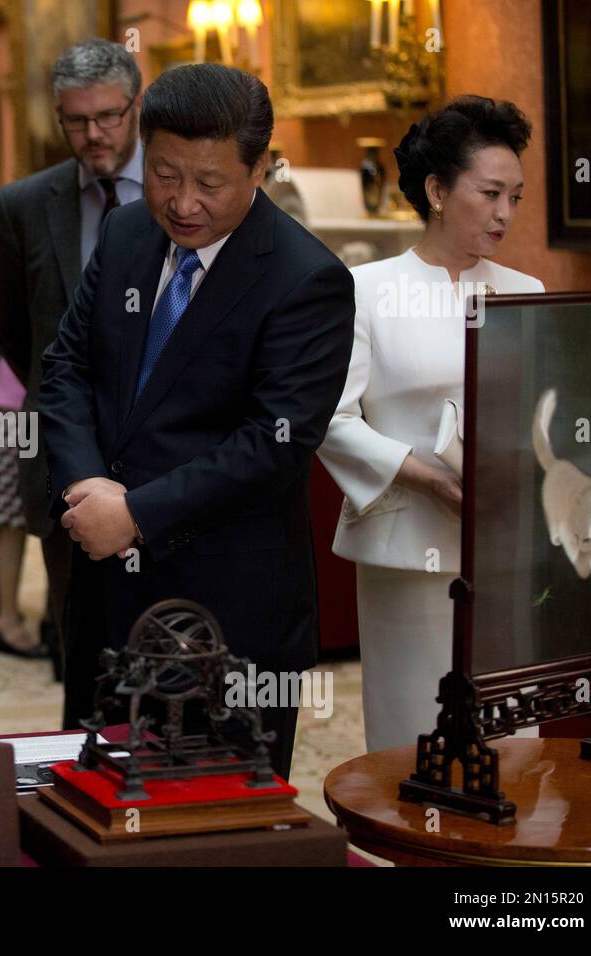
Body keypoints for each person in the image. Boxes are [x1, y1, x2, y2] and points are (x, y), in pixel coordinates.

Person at [39, 64, 355, 779]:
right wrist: (87, 482)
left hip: (227, 612)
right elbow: (68, 369)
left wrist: (139, 514)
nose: (181, 203)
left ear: (261, 168)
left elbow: (271, 445)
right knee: (95, 802)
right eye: (164, 174)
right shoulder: (125, 235)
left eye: (208, 183)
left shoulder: (306, 280)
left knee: (214, 819)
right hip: (104, 593)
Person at [317, 96, 544, 753]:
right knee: (416, 731)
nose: (505, 213)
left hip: (504, 544)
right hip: (405, 543)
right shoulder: (365, 290)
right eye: (491, 192)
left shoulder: (524, 292)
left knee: (514, 735)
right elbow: (331, 418)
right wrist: (424, 478)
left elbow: (541, 416)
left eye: (517, 197)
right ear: (439, 190)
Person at [0, 39, 145, 678]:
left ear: (136, 106)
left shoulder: (176, 196)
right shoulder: (25, 205)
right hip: (63, 453)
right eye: (76, 120)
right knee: (76, 642)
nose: (93, 134)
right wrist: (73, 417)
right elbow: (14, 331)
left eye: (108, 116)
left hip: (163, 452)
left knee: (161, 638)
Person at [0, 296, 44, 659]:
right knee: (9, 520)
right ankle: (9, 620)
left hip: (57, 403)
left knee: (62, 517)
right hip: (11, 404)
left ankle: (47, 617)